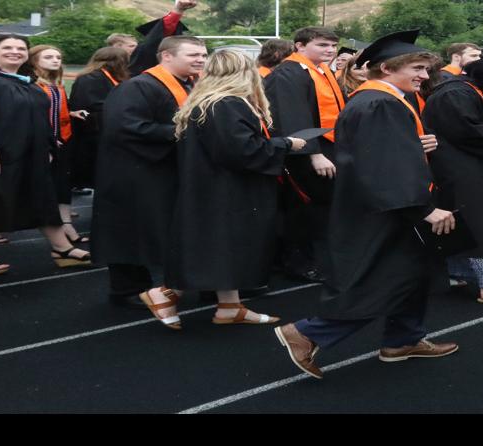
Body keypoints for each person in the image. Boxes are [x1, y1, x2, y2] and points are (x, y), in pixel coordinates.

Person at [273, 31, 461, 378]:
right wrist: (422, 208)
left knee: (411, 275)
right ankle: (307, 333)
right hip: (386, 210)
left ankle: (404, 340)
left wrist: (418, 146)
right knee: (385, 279)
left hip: (379, 205)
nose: (423, 75)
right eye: (417, 68)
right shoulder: (379, 103)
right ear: (387, 68)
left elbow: (382, 153)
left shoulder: (378, 99)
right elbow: (383, 168)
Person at [138, 49, 304, 329]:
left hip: (211, 185)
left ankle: (230, 306)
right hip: (227, 189)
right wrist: (286, 144)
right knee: (220, 244)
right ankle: (165, 293)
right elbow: (241, 151)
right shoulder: (227, 104)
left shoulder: (205, 101)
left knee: (223, 247)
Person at [91, 34, 207, 309]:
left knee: (153, 229)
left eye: (203, 55)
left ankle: (154, 286)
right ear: (167, 56)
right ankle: (127, 290)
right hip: (134, 172)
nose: (201, 60)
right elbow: (125, 127)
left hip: (160, 168)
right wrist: (185, 132)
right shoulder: (139, 86)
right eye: (193, 55)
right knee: (129, 230)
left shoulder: (187, 85)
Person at [0, 34, 93, 275]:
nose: (15, 52)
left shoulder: (27, 82)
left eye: (20, 48)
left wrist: (47, 147)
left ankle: (61, 248)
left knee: (42, 198)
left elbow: (40, 118)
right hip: (0, 155)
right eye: (7, 47)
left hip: (30, 154)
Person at [265, 26, 345, 285]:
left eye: (333, 45)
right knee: (304, 209)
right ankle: (300, 264)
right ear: (299, 46)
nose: (330, 50)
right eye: (322, 45)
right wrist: (314, 154)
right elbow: (292, 116)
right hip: (303, 154)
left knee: (322, 210)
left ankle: (318, 260)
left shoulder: (320, 71)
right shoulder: (287, 73)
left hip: (327, 148)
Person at [425, 53, 483, 304]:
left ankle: (456, 273)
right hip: (461, 168)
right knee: (479, 225)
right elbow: (470, 133)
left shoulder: (470, 90)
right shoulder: (455, 94)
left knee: (462, 223)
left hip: (467, 166)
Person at [21, 45, 89, 250]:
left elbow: (56, 109)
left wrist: (71, 113)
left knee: (62, 183)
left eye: (58, 57)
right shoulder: (29, 84)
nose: (55, 60)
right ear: (33, 60)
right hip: (42, 142)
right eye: (48, 57)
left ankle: (66, 226)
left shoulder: (55, 83)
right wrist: (47, 139)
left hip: (64, 139)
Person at [68, 46, 129, 193]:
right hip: (94, 130)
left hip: (105, 128)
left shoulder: (110, 76)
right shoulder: (91, 78)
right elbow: (89, 102)